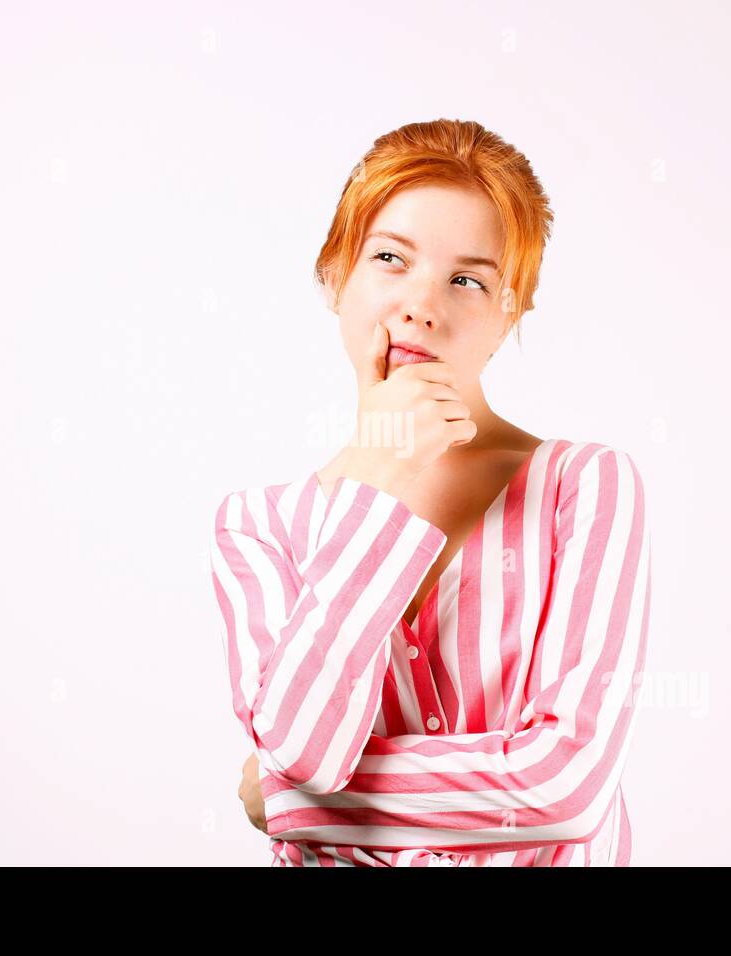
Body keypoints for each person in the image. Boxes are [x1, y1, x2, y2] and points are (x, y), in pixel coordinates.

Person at [209, 119, 652, 866]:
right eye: (390, 259)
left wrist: (285, 805)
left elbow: (565, 789)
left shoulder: (584, 486)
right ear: (334, 275)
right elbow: (303, 749)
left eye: (468, 279)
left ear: (511, 311)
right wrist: (384, 474)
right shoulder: (258, 528)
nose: (422, 305)